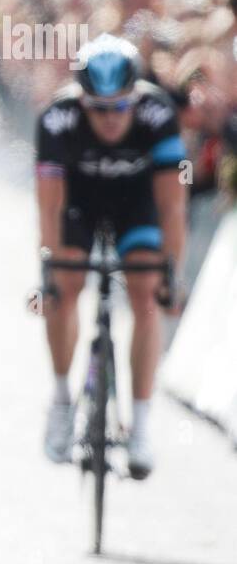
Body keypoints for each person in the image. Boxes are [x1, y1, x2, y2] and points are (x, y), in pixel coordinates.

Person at [35, 33, 186, 480]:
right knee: (64, 288)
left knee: (144, 294)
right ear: (81, 101)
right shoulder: (56, 119)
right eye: (98, 109)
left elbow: (174, 204)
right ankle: (62, 398)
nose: (110, 120)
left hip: (134, 202)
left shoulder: (159, 114)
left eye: (119, 107)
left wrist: (171, 273)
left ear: (135, 97)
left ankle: (139, 426)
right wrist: (48, 268)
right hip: (78, 202)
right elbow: (48, 206)